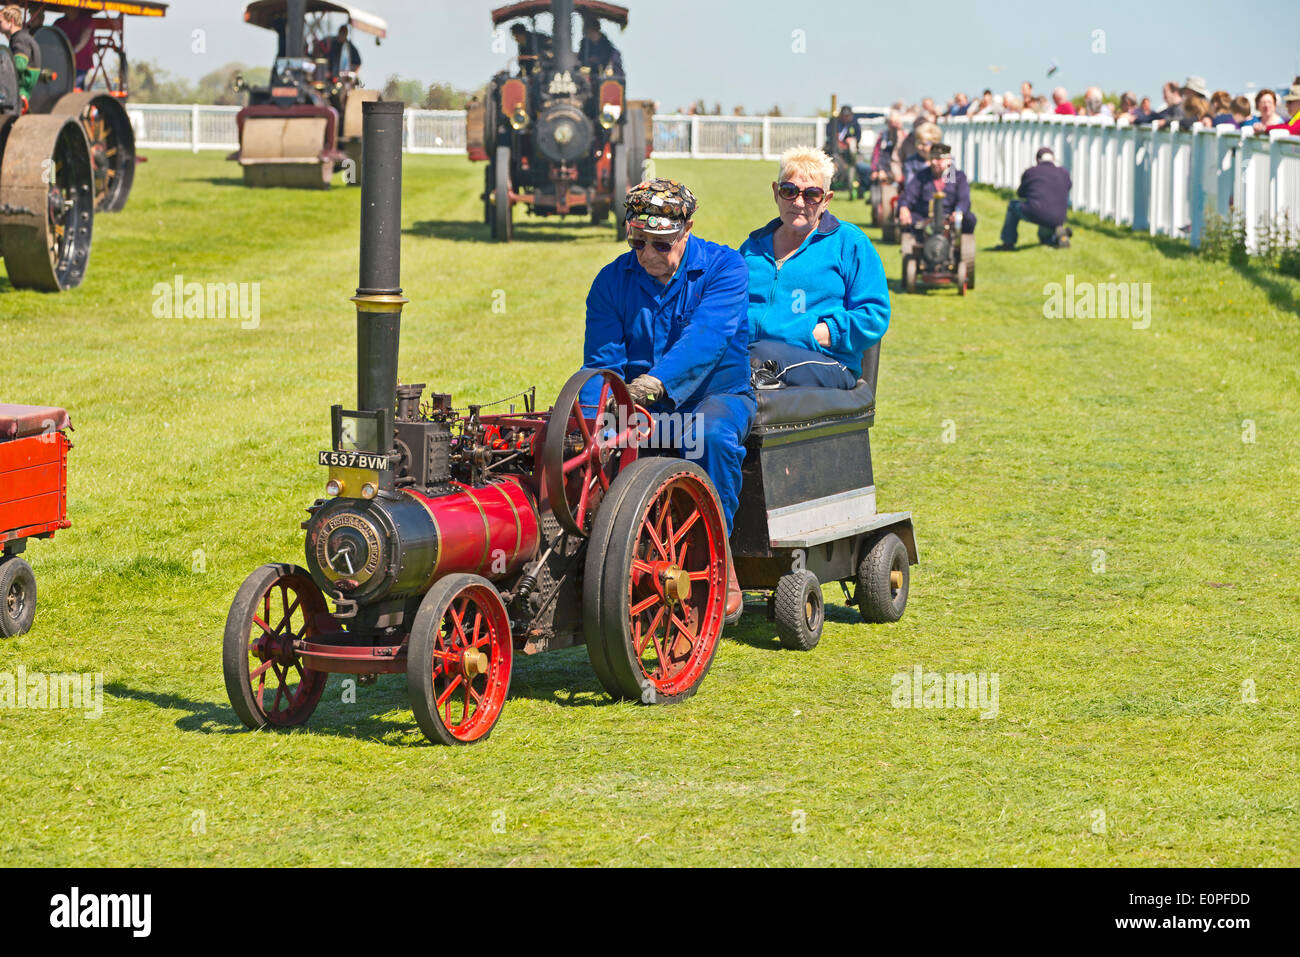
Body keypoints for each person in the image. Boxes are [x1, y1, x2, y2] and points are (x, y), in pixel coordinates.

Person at [581, 179, 754, 618]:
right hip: (642, 405)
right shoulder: (610, 282)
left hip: (716, 394)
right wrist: (587, 420)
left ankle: (718, 559)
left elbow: (707, 339)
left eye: (660, 244)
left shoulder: (725, 268)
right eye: (637, 243)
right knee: (591, 444)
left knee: (710, 437)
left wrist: (654, 384)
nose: (647, 256)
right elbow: (601, 365)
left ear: (687, 229)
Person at [741, 146, 889, 394]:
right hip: (754, 354)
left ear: (826, 200)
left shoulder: (849, 243)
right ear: (776, 193)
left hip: (827, 361)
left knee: (756, 360)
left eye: (811, 195)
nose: (798, 202)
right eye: (789, 191)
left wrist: (817, 333)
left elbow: (873, 315)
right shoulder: (752, 248)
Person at [996, 147, 1073, 250]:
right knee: (1045, 235)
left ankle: (1008, 243)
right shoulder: (1064, 173)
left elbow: (1021, 194)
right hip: (1059, 216)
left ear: (1037, 160)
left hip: (1037, 211)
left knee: (1013, 206)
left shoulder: (1030, 172)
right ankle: (1059, 236)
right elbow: (1068, 188)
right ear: (1053, 159)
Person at [898, 142, 975, 238]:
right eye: (932, 158)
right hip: (925, 218)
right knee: (907, 218)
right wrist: (903, 208)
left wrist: (958, 212)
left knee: (969, 219)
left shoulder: (958, 177)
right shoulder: (921, 176)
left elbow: (964, 199)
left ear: (948, 161)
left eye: (938, 159)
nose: (934, 162)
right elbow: (908, 194)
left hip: (950, 218)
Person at [0, 5, 39, 104]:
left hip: (21, 91)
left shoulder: (20, 39)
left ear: (11, 21)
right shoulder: (21, 37)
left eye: (0, 22)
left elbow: (19, 65)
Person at [54, 9, 97, 89]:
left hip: (81, 64)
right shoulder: (59, 22)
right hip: (61, 64)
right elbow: (52, 39)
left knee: (73, 88)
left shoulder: (87, 20)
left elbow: (83, 40)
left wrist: (71, 52)